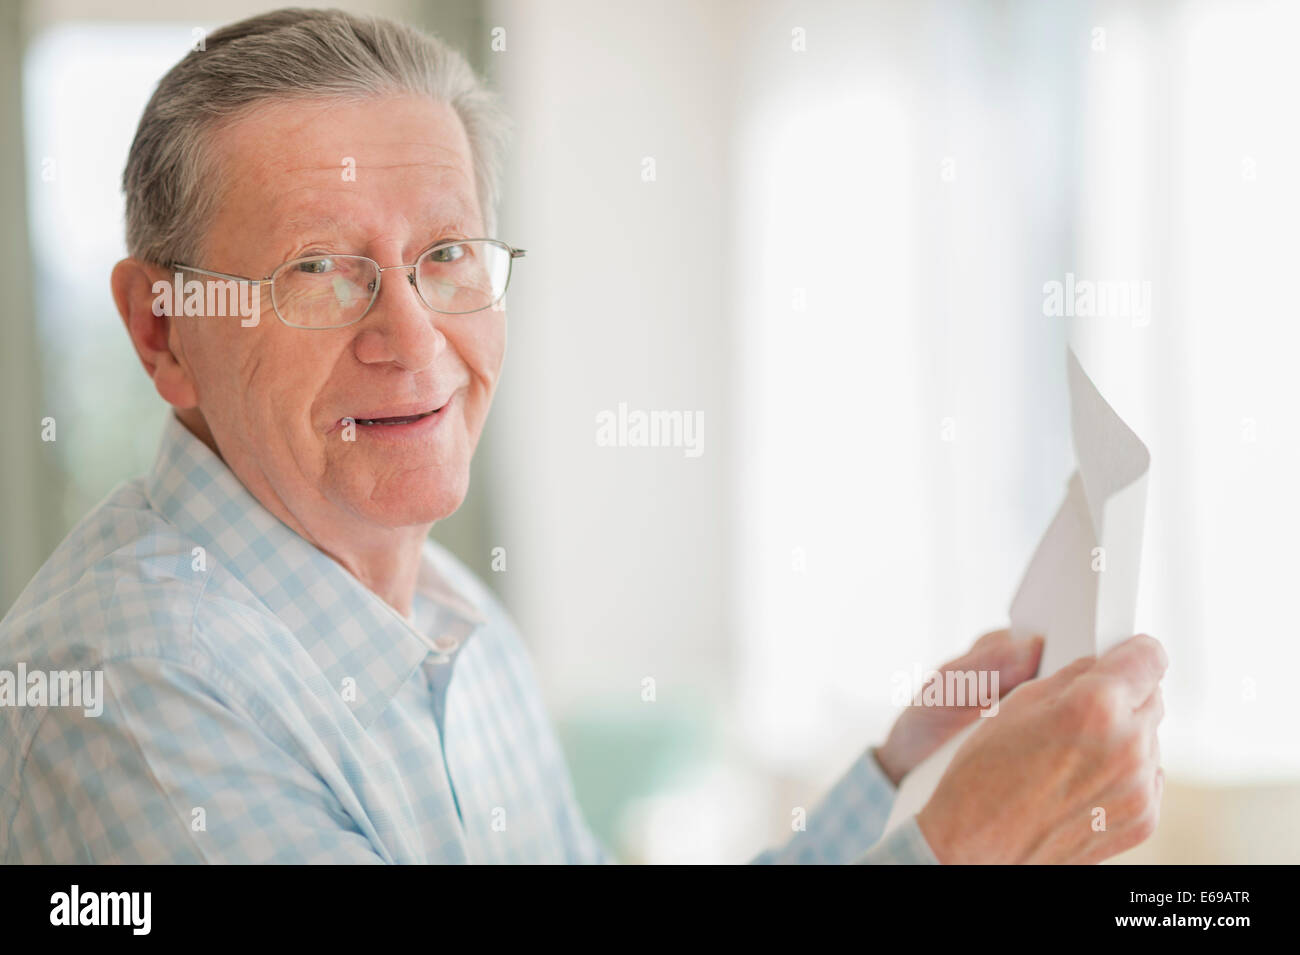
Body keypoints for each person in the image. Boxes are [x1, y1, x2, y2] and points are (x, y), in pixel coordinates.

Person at [0, 8, 1165, 864]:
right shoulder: (134, 688)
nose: (414, 342)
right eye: (320, 269)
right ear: (164, 333)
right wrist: (965, 847)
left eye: (446, 256)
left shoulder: (454, 617)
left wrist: (901, 771)